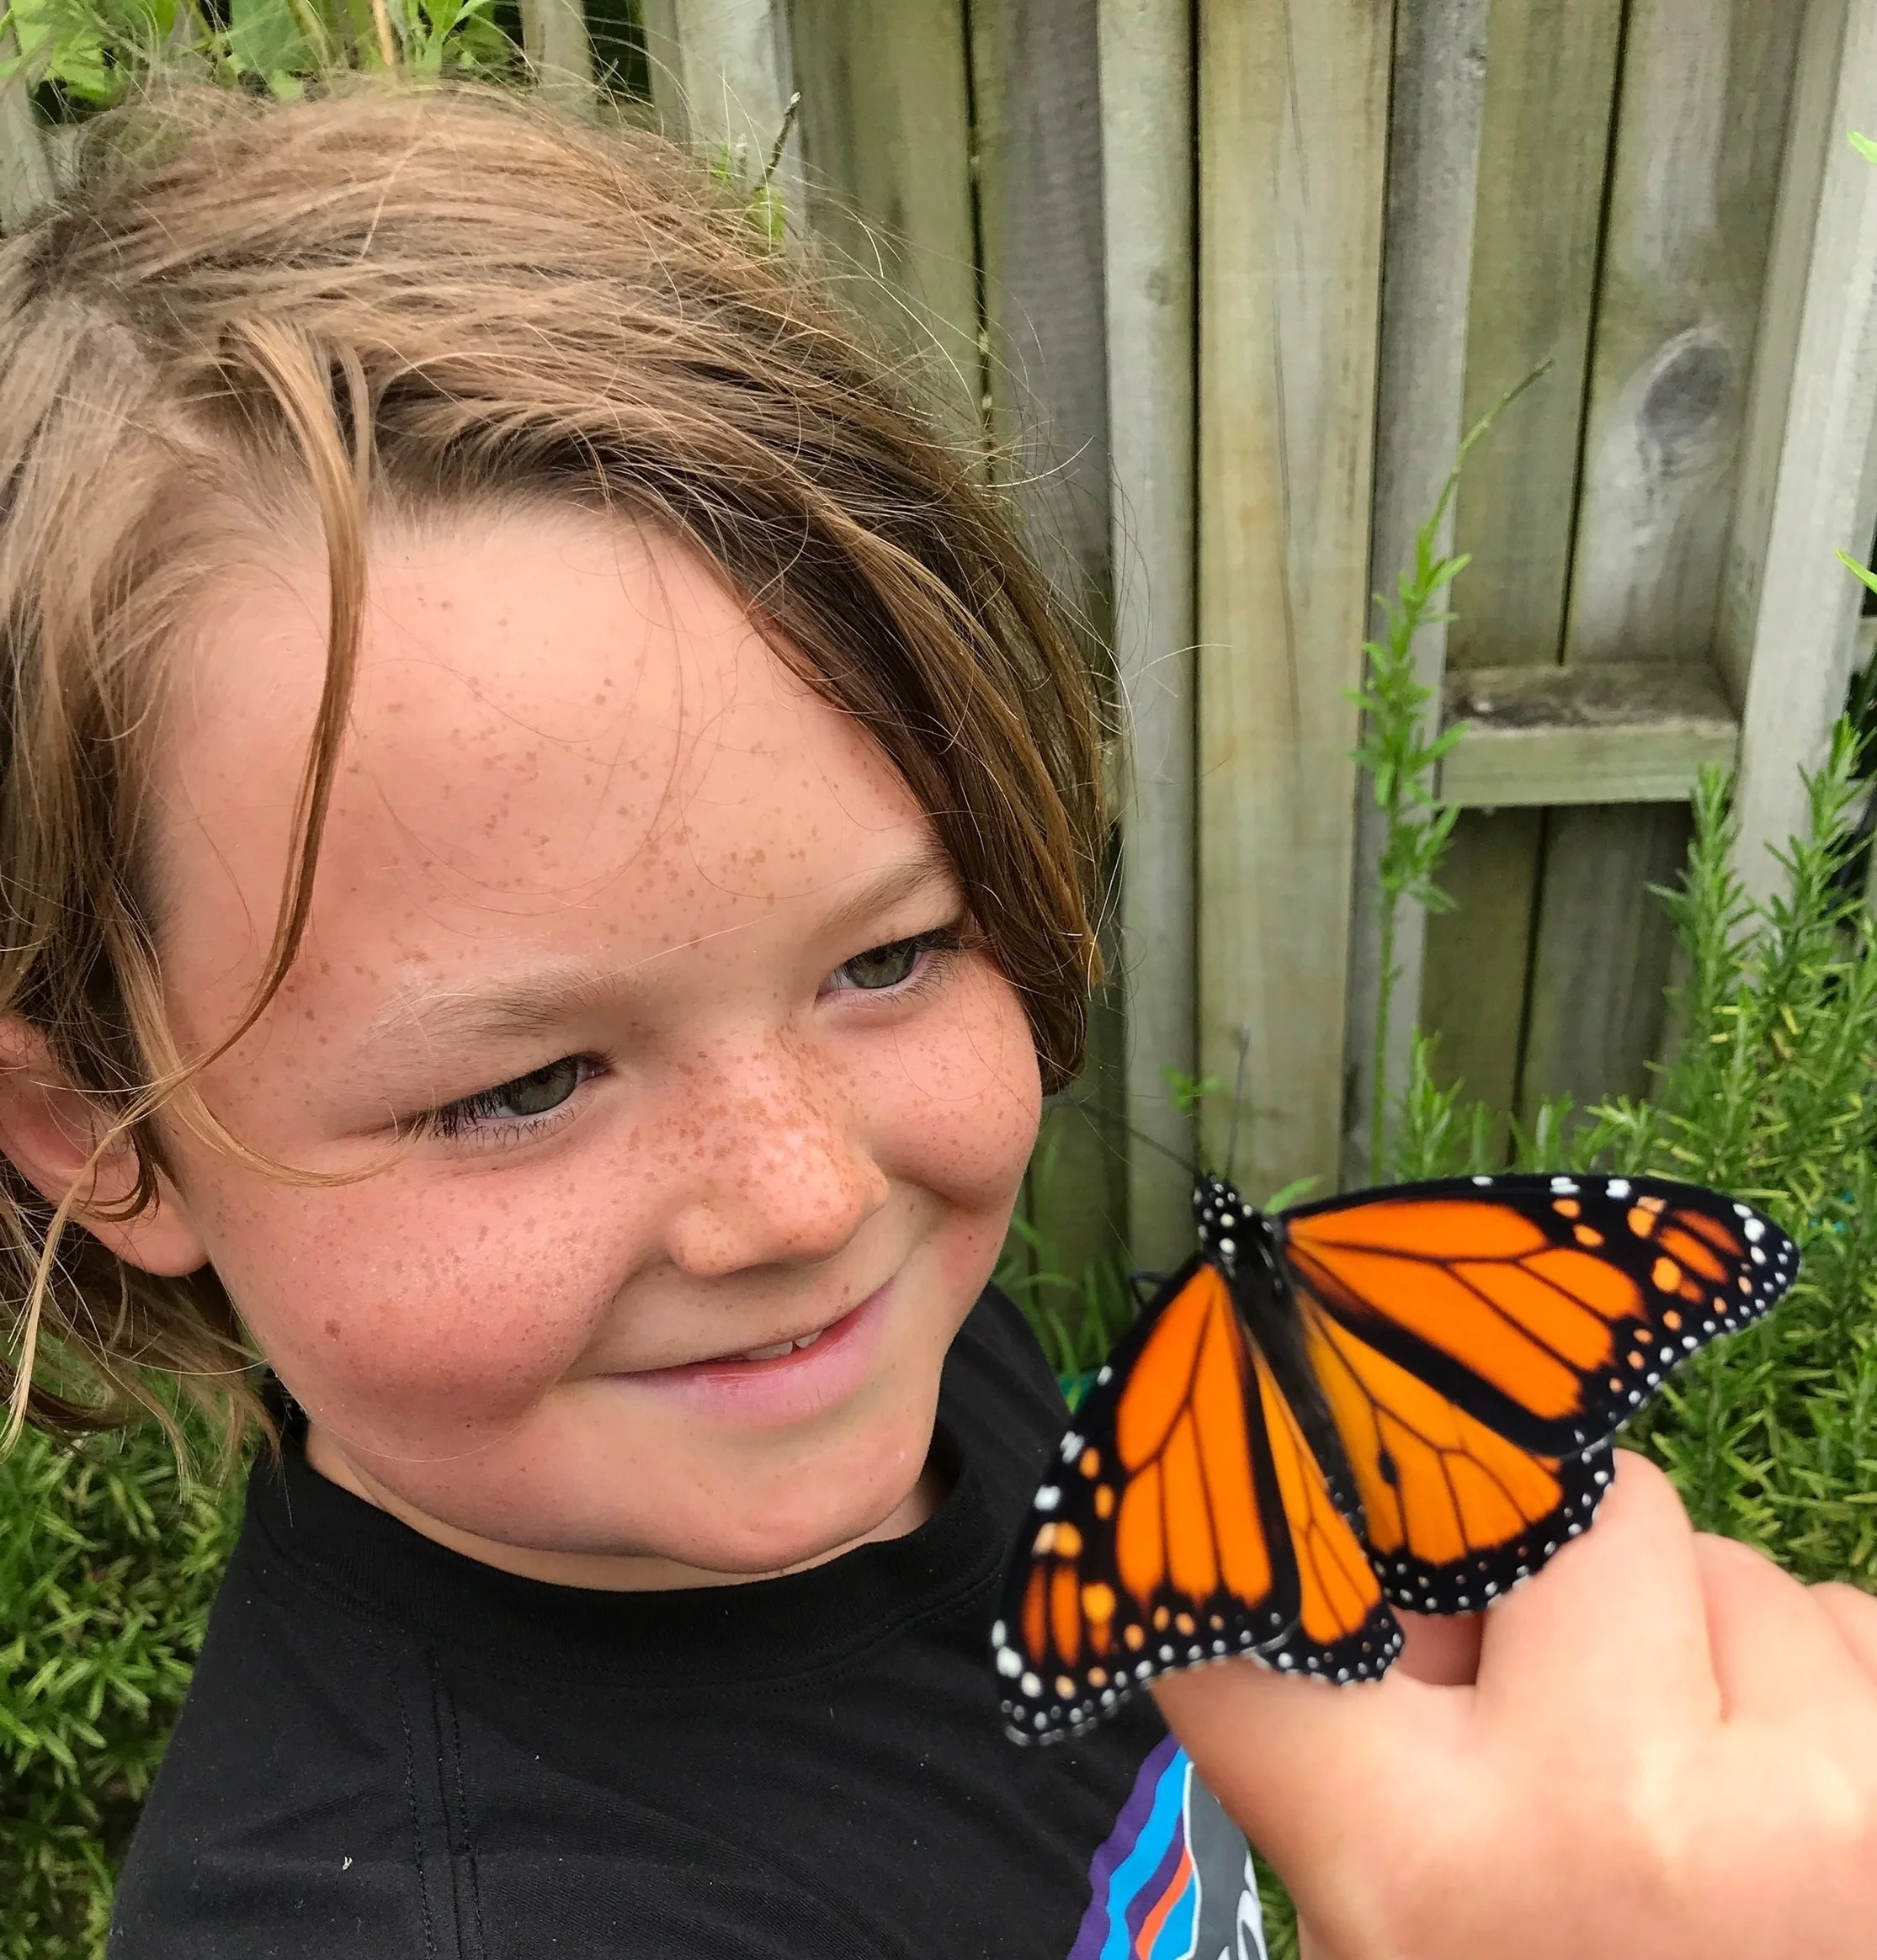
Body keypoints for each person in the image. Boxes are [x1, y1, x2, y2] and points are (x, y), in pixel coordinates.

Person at [0, 81, 1869, 1960]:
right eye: (526, 1083)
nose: (808, 1198)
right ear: (105, 1130)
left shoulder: (884, 1382)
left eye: (887, 960)